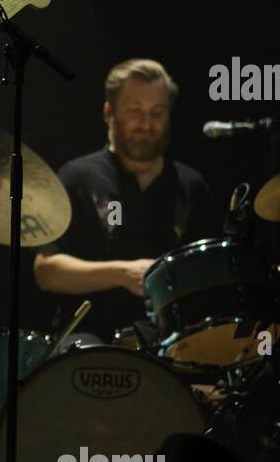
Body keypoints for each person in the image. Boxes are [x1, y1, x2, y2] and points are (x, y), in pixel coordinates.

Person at [33, 58, 217, 345]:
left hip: (173, 341)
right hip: (91, 338)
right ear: (109, 112)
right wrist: (123, 274)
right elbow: (46, 272)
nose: (146, 123)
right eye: (135, 111)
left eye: (157, 112)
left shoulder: (191, 185)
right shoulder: (77, 176)